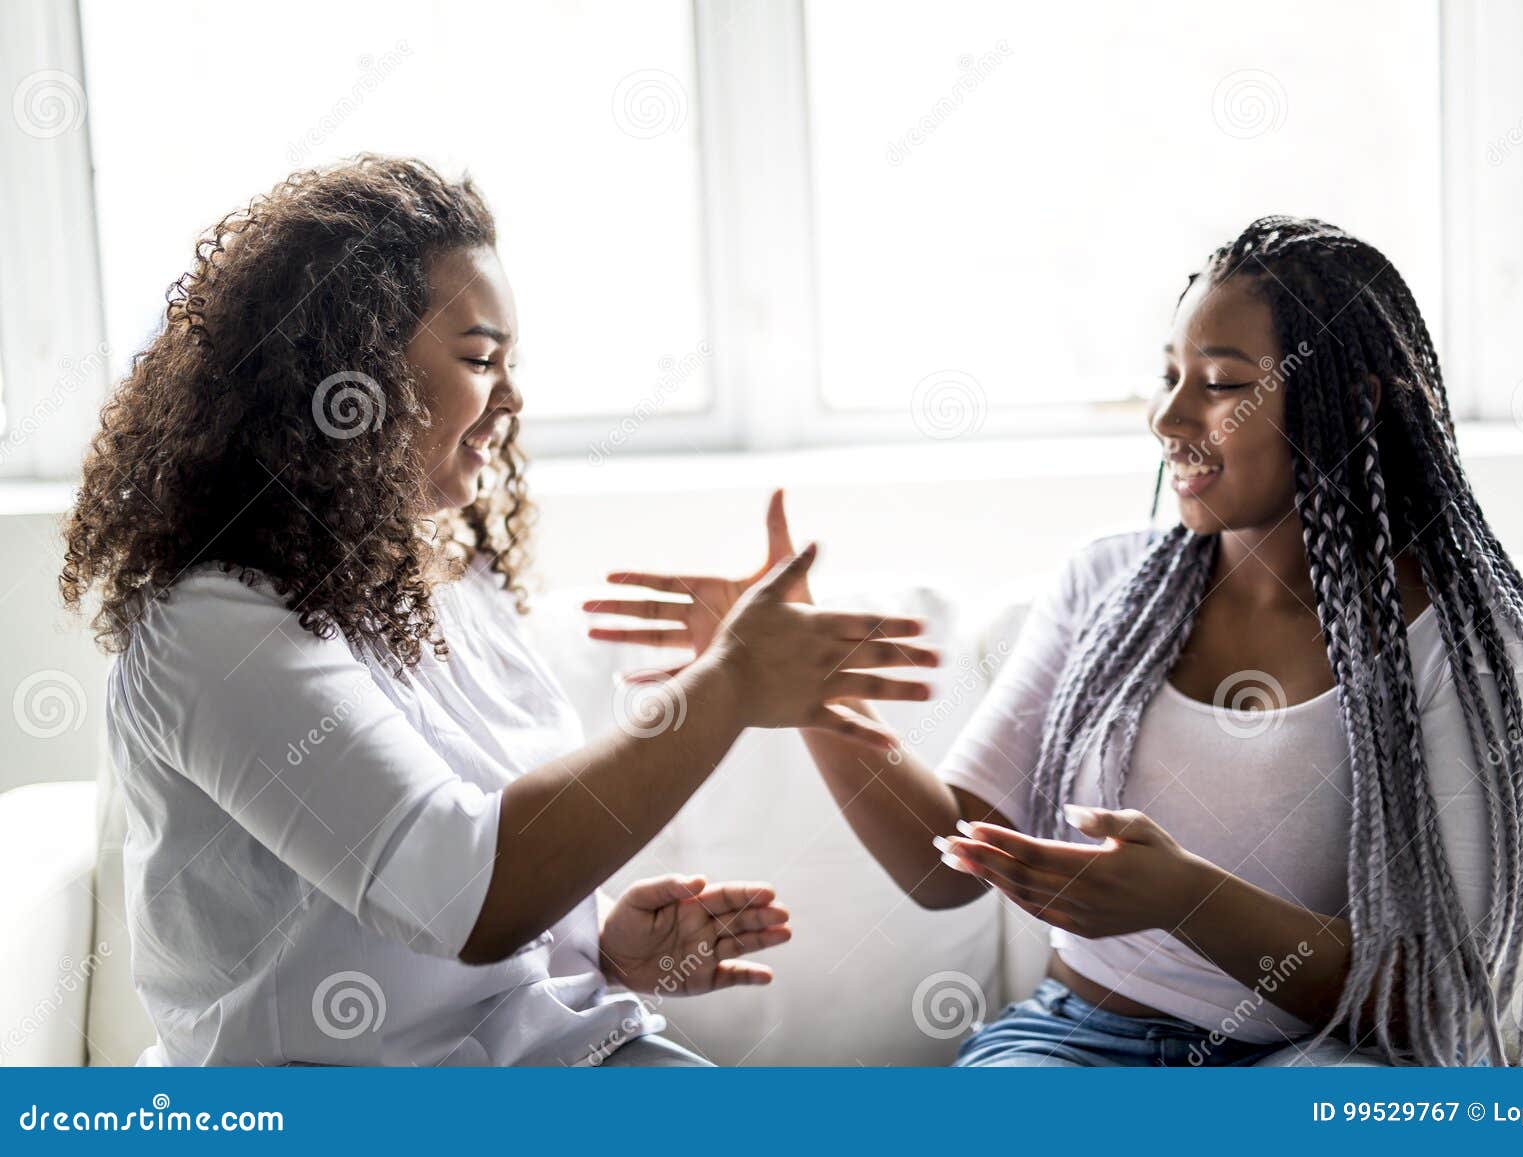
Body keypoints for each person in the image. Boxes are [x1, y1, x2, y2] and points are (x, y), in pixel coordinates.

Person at [587, 216, 1523, 1067]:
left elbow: (1433, 1004)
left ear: (1354, 404)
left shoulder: (1464, 644)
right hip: (1076, 1045)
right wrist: (801, 685)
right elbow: (947, 862)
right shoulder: (1107, 586)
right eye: (1169, 375)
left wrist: (1186, 896)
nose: (1168, 416)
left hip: (1325, 1059)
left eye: (1219, 380)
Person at [60, 156, 936, 1067]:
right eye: (481, 358)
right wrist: (732, 683)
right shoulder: (215, 627)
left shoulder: (451, 577)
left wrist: (598, 944)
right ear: (345, 373)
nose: (511, 399)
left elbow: (482, 877)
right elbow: (455, 893)